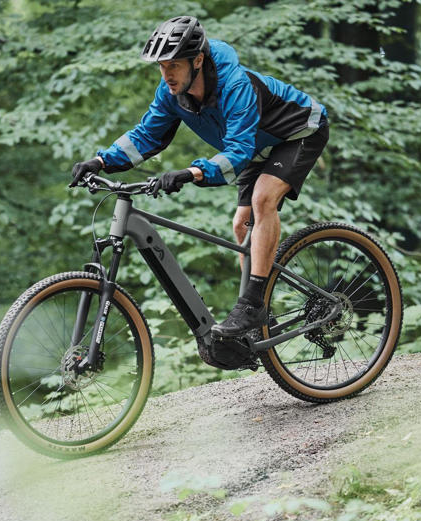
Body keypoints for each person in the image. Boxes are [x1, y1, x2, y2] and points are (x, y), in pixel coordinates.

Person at [71, 15, 329, 339]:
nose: (166, 75)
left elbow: (237, 152)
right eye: (161, 67)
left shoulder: (235, 85)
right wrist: (100, 160)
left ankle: (252, 306)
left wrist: (192, 172)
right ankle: (265, 318)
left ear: (197, 60)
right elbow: (146, 135)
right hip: (255, 146)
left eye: (173, 66)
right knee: (241, 225)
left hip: (298, 131)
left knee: (264, 200)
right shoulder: (171, 92)